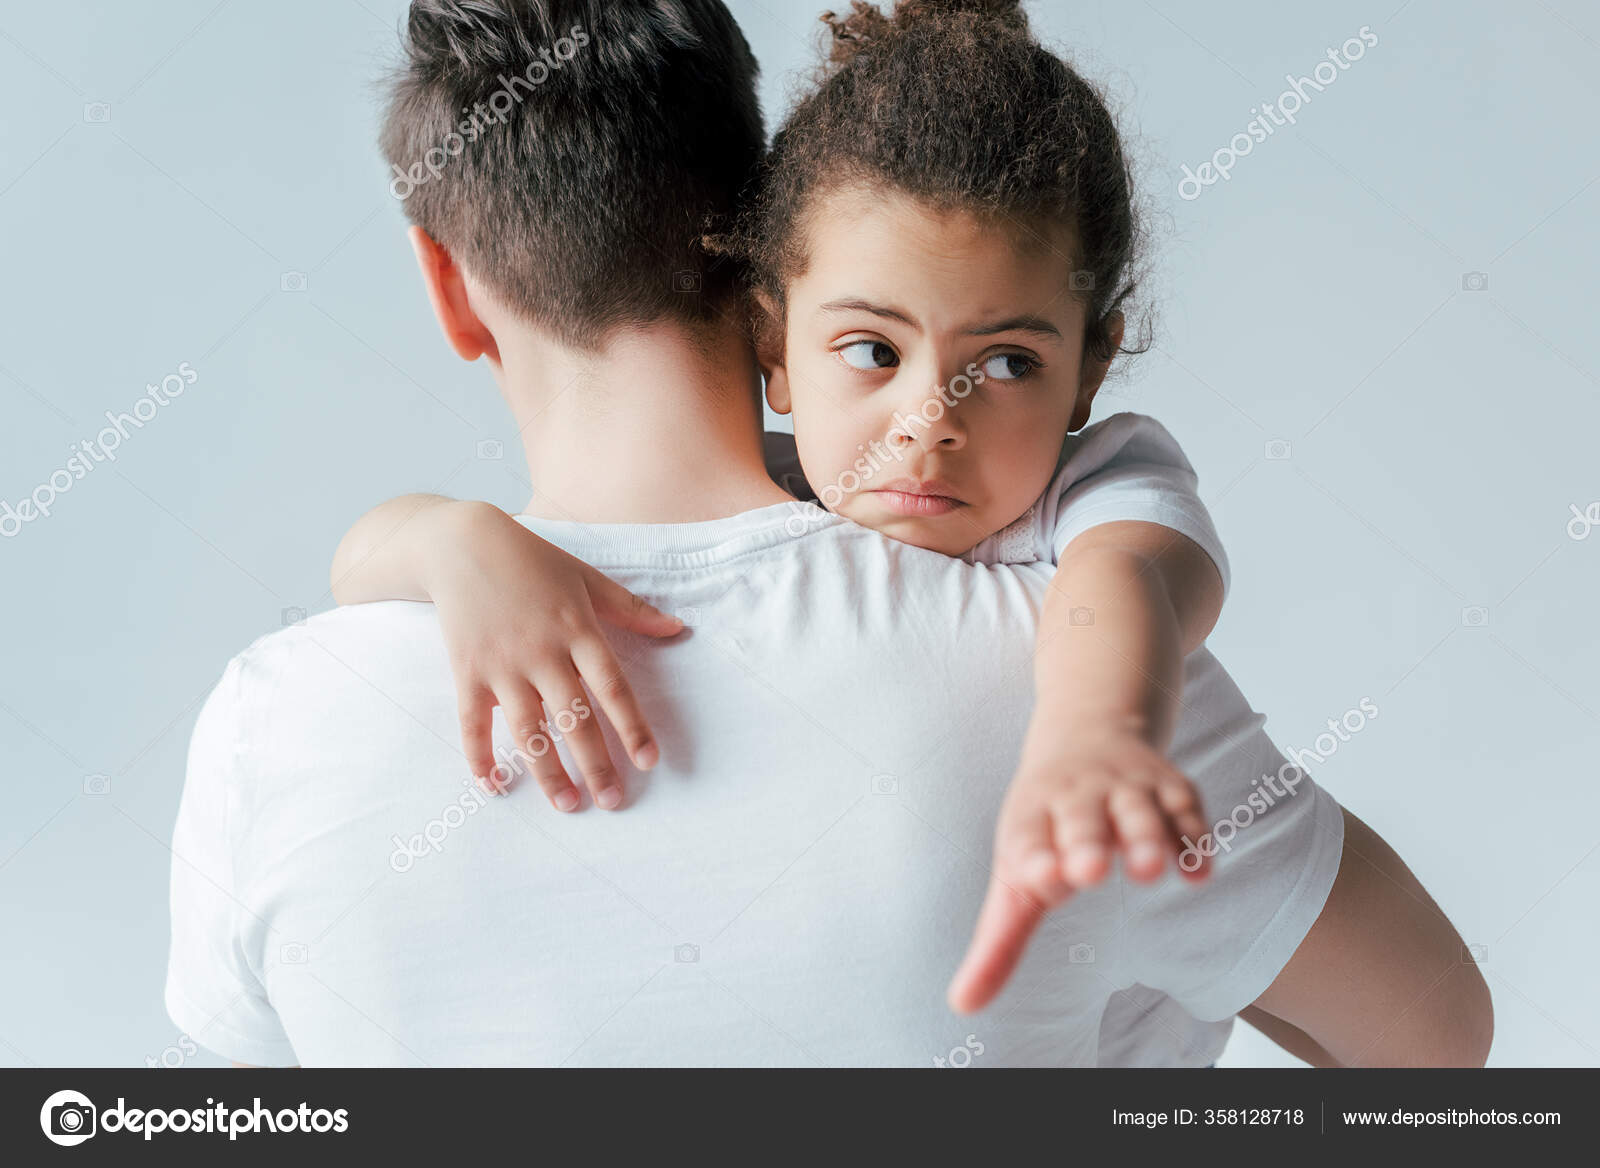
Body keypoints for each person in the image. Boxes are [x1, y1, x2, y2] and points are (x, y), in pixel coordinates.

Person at [166, 0, 1490, 1066]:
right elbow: (1432, 1052)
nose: (930, 423)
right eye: (879, 347)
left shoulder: (271, 721)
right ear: (760, 275)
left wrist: (447, 543)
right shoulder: (1068, 667)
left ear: (448, 288)